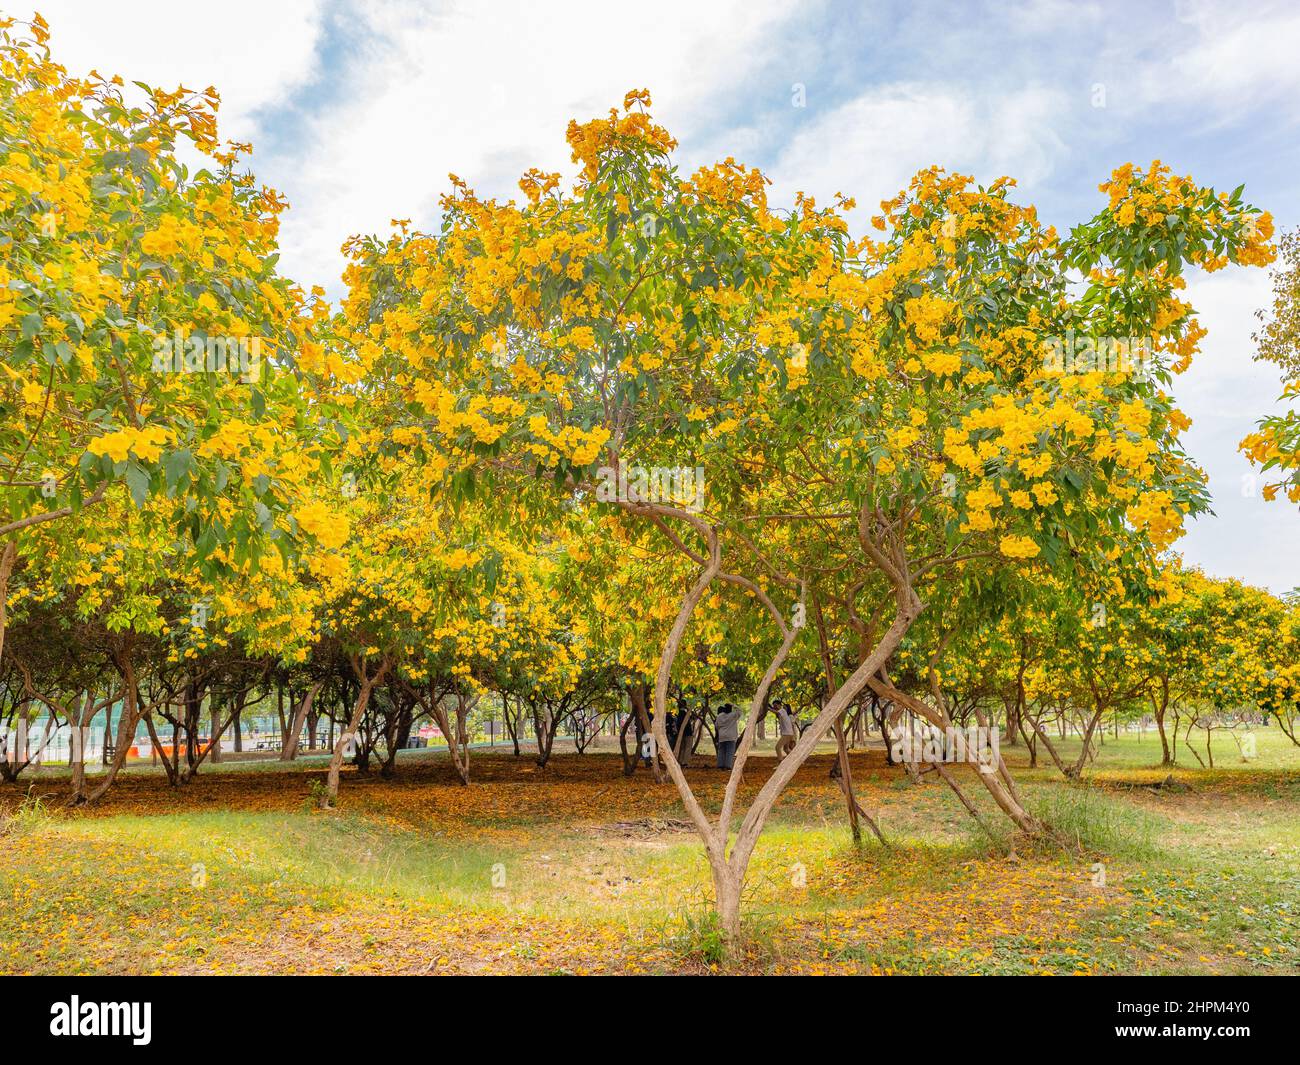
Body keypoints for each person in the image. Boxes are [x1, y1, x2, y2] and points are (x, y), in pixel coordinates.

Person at [715, 703, 741, 770]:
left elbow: (716, 726)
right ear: (731, 709)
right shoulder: (733, 715)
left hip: (722, 736)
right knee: (730, 751)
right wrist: (734, 705)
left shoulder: (719, 716)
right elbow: (739, 711)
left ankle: (720, 765)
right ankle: (728, 766)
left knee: (721, 751)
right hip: (731, 736)